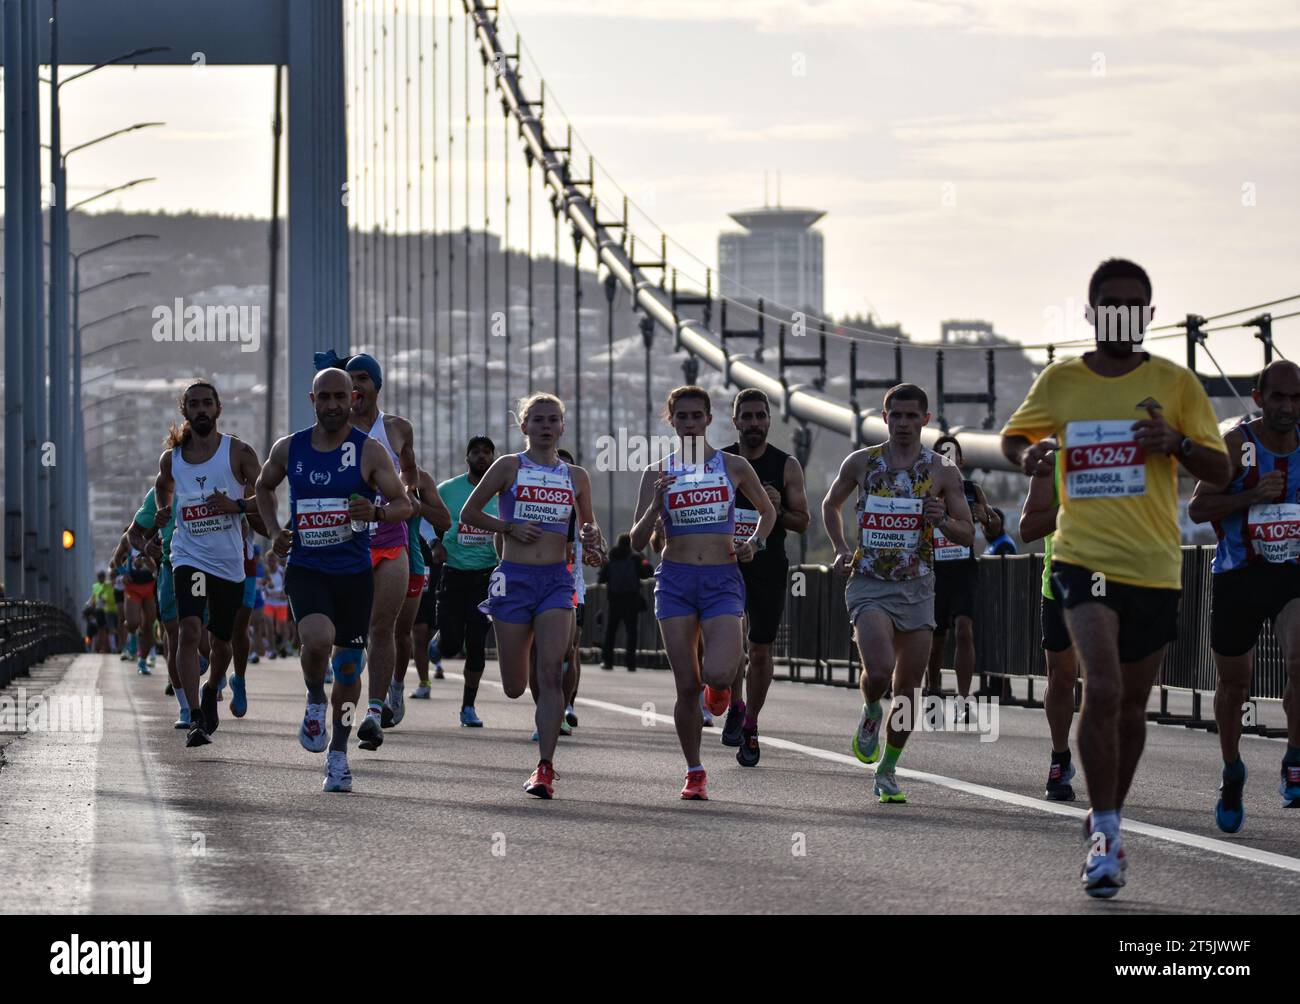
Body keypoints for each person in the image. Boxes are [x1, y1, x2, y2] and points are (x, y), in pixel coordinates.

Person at [1001, 257, 1229, 898]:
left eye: (1134, 304)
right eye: (1111, 304)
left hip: (1154, 565)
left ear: (1149, 315)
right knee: (1099, 688)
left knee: (1131, 707)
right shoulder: (1062, 381)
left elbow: (1219, 470)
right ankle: (1104, 836)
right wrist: (1035, 455)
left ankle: (1110, 813)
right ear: (1093, 313)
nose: (1121, 314)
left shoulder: (1176, 384)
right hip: (1082, 558)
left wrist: (1175, 444)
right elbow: (1015, 438)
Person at [255, 367, 412, 792]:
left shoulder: (370, 451)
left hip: (354, 573)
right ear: (312, 400)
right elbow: (263, 487)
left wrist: (377, 513)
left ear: (353, 400)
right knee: (318, 640)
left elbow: (403, 505)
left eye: (340, 397)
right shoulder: (291, 448)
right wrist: (273, 532)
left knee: (346, 667)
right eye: (323, 397)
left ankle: (338, 756)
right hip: (308, 568)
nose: (332, 405)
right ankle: (312, 697)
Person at [823, 383, 974, 805]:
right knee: (879, 669)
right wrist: (839, 549)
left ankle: (887, 770)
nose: (904, 423)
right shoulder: (861, 463)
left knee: (908, 689)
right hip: (869, 583)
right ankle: (871, 710)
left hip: (919, 587)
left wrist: (941, 518)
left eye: (913, 416)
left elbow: (968, 532)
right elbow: (830, 505)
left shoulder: (943, 471)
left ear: (926, 420)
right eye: (896, 415)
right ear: (884, 417)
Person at [631, 385, 776, 800]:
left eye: (698, 416)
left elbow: (767, 511)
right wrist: (656, 504)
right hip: (675, 581)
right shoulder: (658, 472)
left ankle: (722, 691)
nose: (690, 423)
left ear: (709, 419)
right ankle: (694, 771)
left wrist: (754, 542)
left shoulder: (732, 466)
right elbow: (638, 541)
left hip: (722, 580)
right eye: (683, 417)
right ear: (671, 421)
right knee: (686, 687)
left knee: (717, 674)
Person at [459, 394, 604, 798]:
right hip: (514, 580)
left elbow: (591, 534)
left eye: (552, 420)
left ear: (562, 427)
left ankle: (545, 768)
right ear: (523, 427)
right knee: (514, 685)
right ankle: (528, 712)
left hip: (557, 581)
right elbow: (468, 515)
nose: (545, 426)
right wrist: (508, 527)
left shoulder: (577, 477)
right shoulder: (508, 466)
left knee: (551, 670)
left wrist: (593, 539)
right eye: (537, 419)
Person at [1188, 359, 1300, 828]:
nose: (1288, 408)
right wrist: (1249, 498)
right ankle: (1232, 769)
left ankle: (1294, 760)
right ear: (1259, 398)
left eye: (1296, 399)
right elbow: (1197, 508)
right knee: (1234, 684)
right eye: (1278, 398)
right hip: (1239, 574)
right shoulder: (1237, 444)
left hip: (1293, 572)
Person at [152, 380, 265, 747]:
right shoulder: (173, 459)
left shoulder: (240, 453)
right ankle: (196, 716)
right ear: (185, 411)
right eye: (194, 405)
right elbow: (161, 485)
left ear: (218, 409)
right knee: (188, 629)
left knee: (222, 642)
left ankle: (213, 686)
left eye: (207, 404)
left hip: (228, 561)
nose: (201, 410)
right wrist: (163, 513)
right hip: (188, 556)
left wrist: (237, 506)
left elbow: (266, 500)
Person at [720, 388, 810, 766]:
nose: (754, 423)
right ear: (735, 420)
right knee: (726, 644)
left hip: (768, 566)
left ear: (769, 420)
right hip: (724, 564)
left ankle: (751, 724)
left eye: (761, 416)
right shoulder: (720, 463)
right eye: (747, 416)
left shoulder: (786, 465)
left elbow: (802, 522)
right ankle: (733, 701)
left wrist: (777, 508)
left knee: (759, 649)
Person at [1019, 450, 1079, 800]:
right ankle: (1060, 757)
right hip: (1061, 582)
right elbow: (1027, 528)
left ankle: (1108, 761)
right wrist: (1074, 506)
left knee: (1106, 679)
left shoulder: (1125, 455)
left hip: (1115, 578)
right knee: (1062, 678)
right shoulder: (1052, 461)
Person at [924, 434, 992, 709]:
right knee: (937, 636)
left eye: (953, 456)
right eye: (943, 456)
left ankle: (964, 698)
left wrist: (987, 517)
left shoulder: (973, 490)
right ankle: (934, 689)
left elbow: (994, 530)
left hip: (964, 570)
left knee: (965, 631)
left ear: (961, 460)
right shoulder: (926, 489)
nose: (949, 461)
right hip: (935, 570)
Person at [436, 435, 500, 727]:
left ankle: (468, 708)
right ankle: (441, 641)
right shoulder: (448, 490)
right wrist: (434, 544)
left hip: (486, 577)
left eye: (487, 452)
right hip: (453, 573)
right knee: (450, 646)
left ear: (494, 457)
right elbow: (427, 518)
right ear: (467, 458)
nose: (482, 457)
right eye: (476, 452)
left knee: (476, 645)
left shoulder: (503, 493)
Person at [385, 467, 451, 726]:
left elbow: (444, 521)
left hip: (411, 561)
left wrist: (418, 506)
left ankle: (397, 687)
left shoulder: (417, 478)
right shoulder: (360, 463)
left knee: (406, 633)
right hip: (366, 558)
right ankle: (375, 704)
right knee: (376, 632)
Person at [599, 534, 652, 672]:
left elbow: (602, 578)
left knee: (611, 631)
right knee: (632, 632)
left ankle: (608, 661)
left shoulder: (612, 557)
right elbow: (646, 574)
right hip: (631, 599)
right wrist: (644, 561)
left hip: (614, 600)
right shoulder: (635, 558)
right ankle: (630, 663)